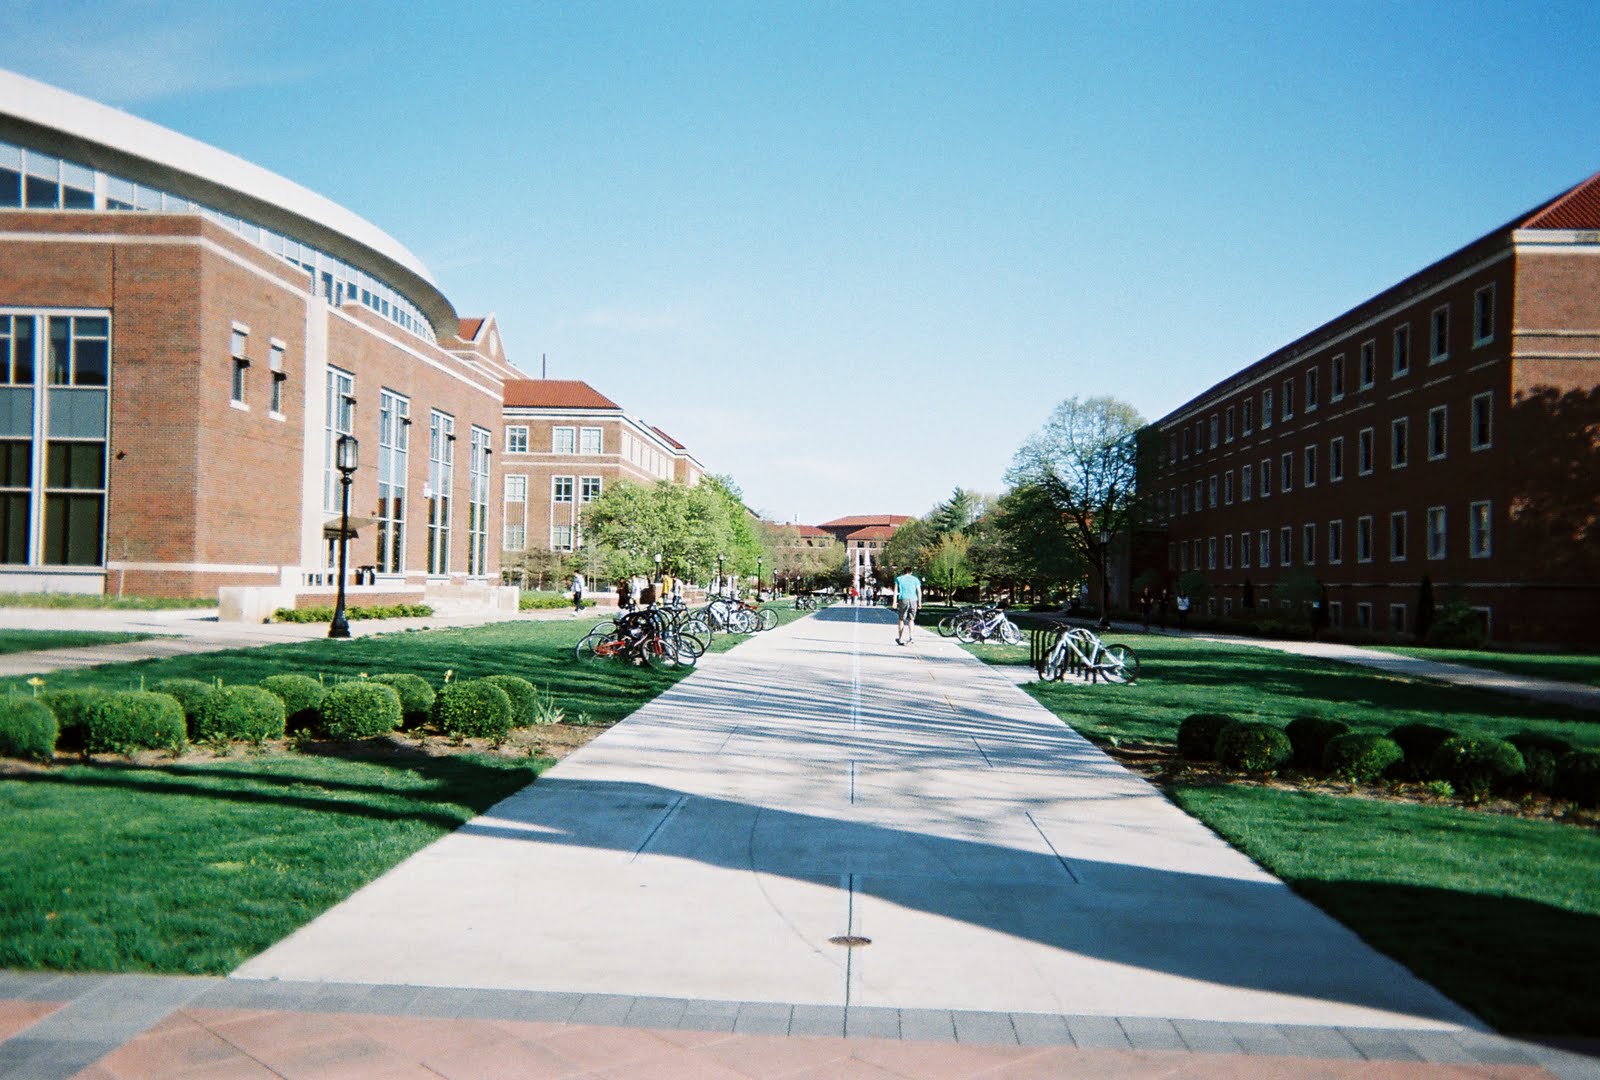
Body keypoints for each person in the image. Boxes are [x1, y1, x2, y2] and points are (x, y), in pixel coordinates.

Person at [894, 567, 922, 646]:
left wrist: (894, 601)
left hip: (903, 599)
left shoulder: (899, 579)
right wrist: (919, 602)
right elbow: (919, 591)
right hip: (913, 599)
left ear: (904, 572)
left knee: (901, 619)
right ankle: (911, 637)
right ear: (911, 572)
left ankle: (900, 638)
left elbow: (896, 591)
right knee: (911, 619)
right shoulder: (915, 579)